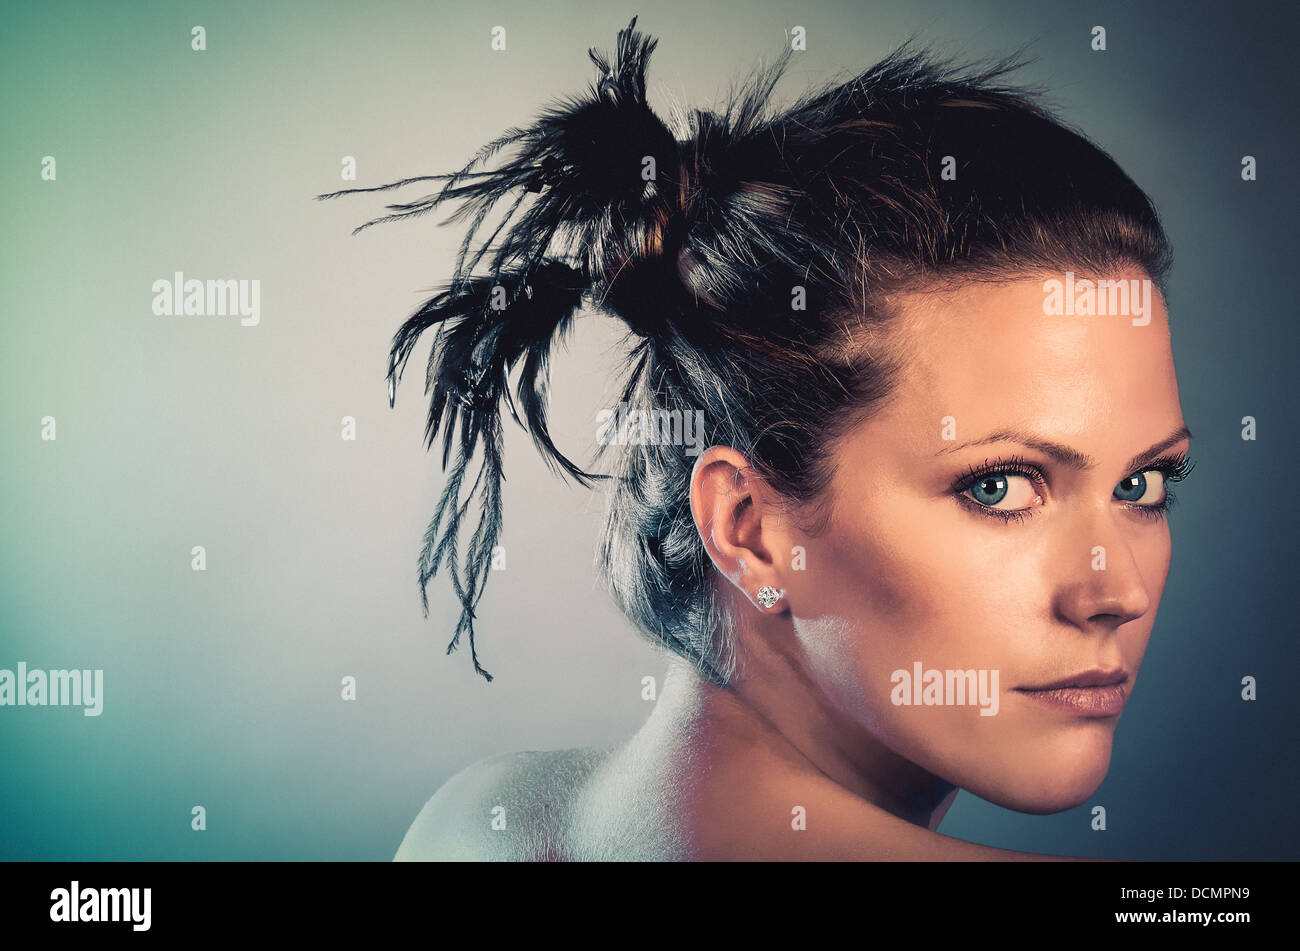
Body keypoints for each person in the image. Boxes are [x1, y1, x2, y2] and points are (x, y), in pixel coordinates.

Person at [319, 15, 1195, 860]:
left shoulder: (481, 817)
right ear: (749, 527)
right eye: (1000, 486)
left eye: (1143, 486)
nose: (1113, 590)